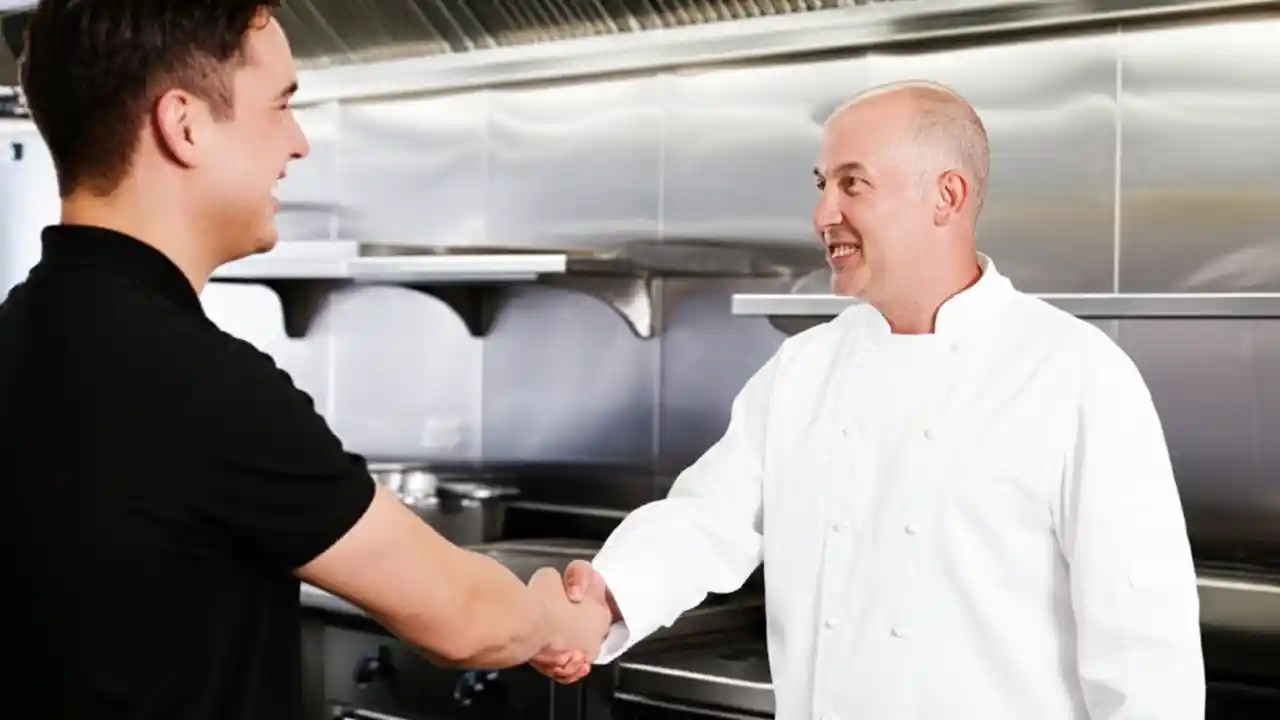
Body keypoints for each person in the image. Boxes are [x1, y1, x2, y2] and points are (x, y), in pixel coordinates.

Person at [2, 2, 603, 718]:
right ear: (183, 124)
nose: (299, 143)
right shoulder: (205, 390)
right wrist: (552, 615)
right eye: (281, 104)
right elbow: (466, 615)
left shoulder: (21, 337)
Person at [535, 81, 1206, 718]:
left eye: (852, 183)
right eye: (823, 185)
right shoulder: (805, 367)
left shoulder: (1074, 375)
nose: (824, 214)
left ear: (947, 196)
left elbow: (1144, 653)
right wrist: (606, 597)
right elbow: (708, 518)